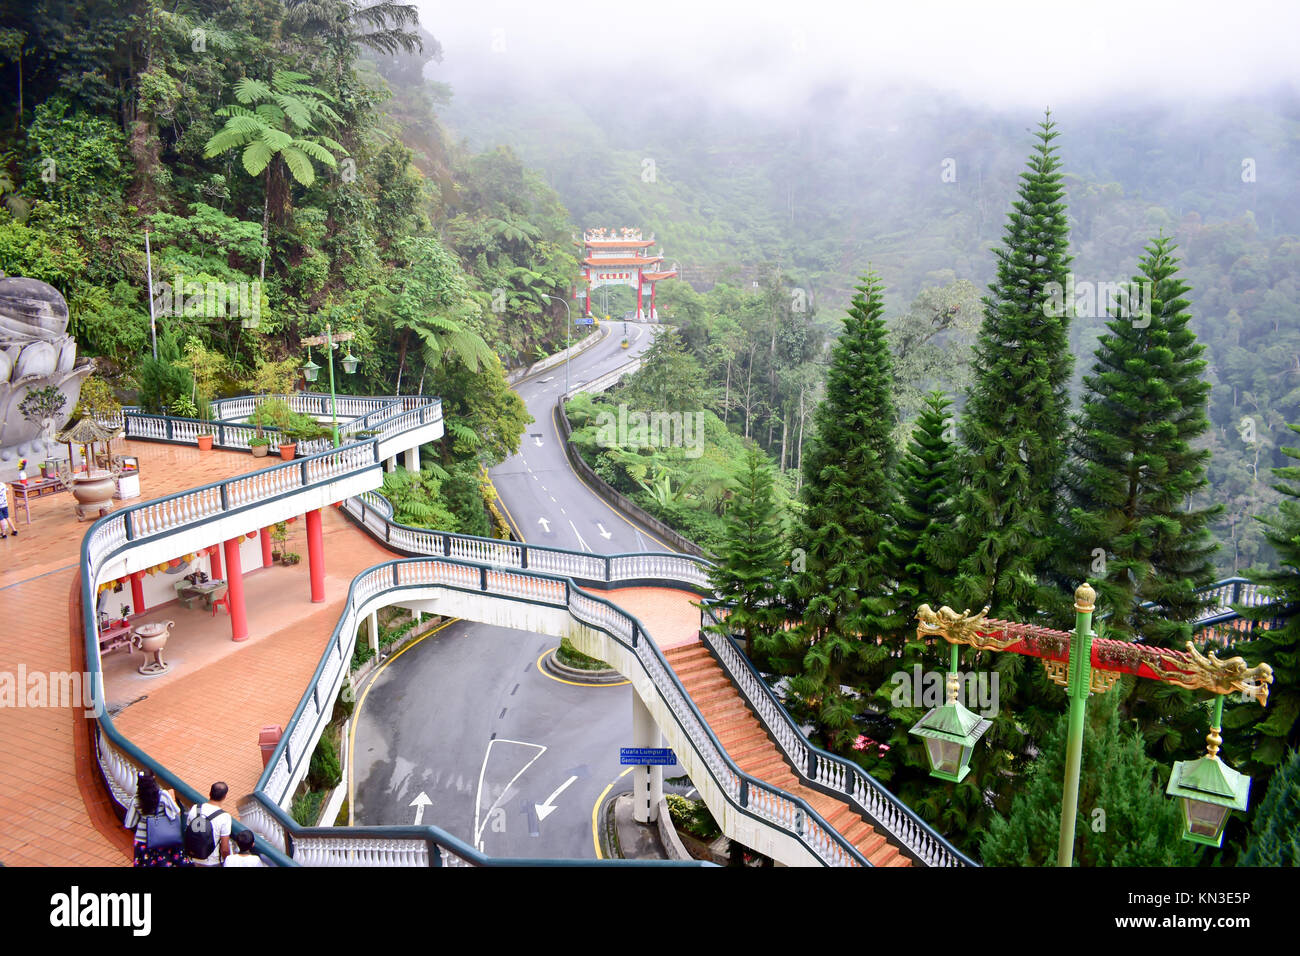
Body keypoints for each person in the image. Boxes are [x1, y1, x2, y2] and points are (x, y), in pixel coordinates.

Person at [123, 770, 188, 867]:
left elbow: (129, 823)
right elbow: (175, 812)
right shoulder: (163, 795)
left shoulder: (136, 800)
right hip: (164, 839)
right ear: (153, 779)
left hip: (143, 841)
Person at [185, 781, 232, 866]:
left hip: (194, 858)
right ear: (224, 796)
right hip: (213, 861)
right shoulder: (225, 817)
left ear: (210, 793)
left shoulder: (195, 808)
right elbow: (225, 848)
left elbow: (188, 831)